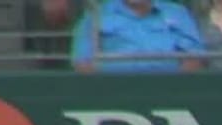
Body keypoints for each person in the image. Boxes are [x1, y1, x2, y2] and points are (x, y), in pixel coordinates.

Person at [70, 0, 204, 72]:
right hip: (111, 94)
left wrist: (174, 89)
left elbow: (194, 58)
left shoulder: (177, 13)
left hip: (171, 94)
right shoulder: (95, 15)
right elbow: (82, 62)